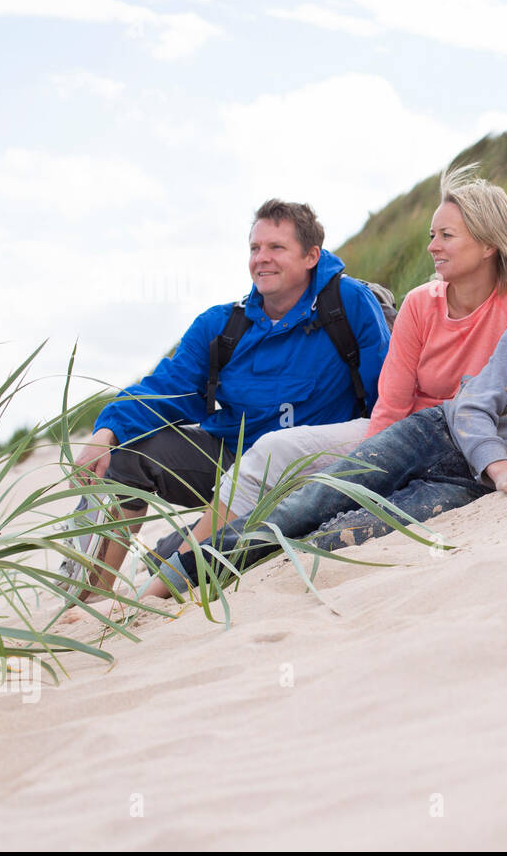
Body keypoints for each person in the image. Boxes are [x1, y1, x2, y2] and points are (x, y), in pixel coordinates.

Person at [150, 207, 507, 597]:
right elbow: (473, 403)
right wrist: (499, 463)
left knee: (346, 534)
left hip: (468, 482)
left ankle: (233, 588)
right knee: (310, 503)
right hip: (437, 433)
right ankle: (166, 583)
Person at [141, 165, 507, 585]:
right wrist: (379, 463)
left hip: (477, 449)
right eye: (432, 235)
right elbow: (391, 401)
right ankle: (177, 569)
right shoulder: (419, 304)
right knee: (272, 453)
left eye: (447, 235)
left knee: (333, 526)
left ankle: (200, 553)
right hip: (404, 432)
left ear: (487, 244)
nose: (432, 247)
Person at [65, 199, 391, 597]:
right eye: (255, 248)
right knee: (128, 455)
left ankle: (170, 570)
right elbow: (166, 388)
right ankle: (89, 601)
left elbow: (388, 395)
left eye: (276, 248)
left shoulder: (349, 304)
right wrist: (107, 431)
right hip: (232, 457)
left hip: (312, 465)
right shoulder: (222, 326)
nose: (261, 259)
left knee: (182, 545)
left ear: (311, 256)